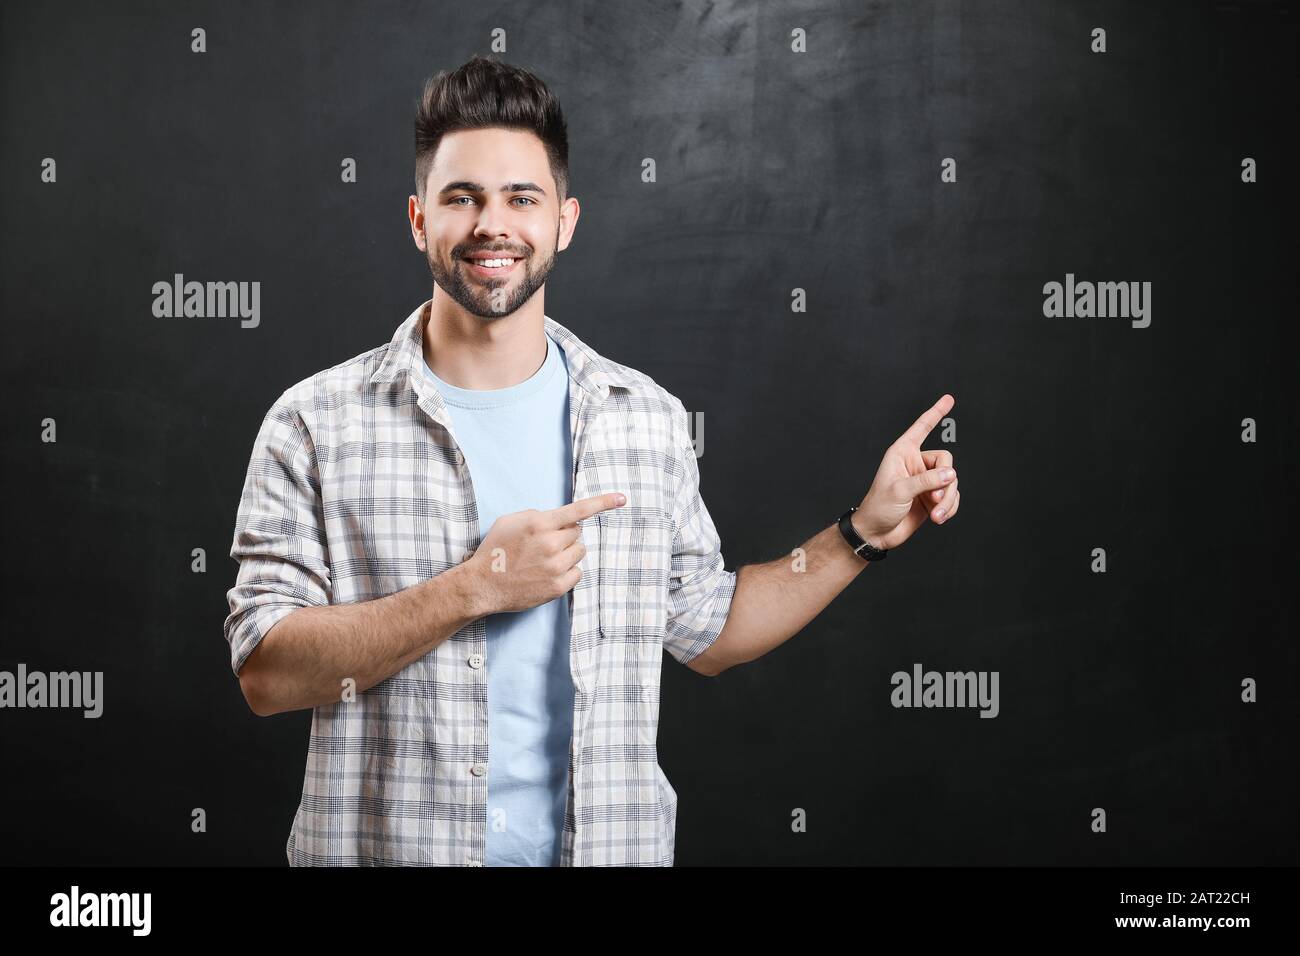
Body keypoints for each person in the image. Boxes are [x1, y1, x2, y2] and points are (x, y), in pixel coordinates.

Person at [222, 54, 961, 867]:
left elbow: (709, 629)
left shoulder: (642, 419)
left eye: (521, 198)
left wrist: (861, 531)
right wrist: (473, 588)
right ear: (418, 220)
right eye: (461, 197)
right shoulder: (315, 422)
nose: (491, 224)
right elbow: (266, 673)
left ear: (565, 222)